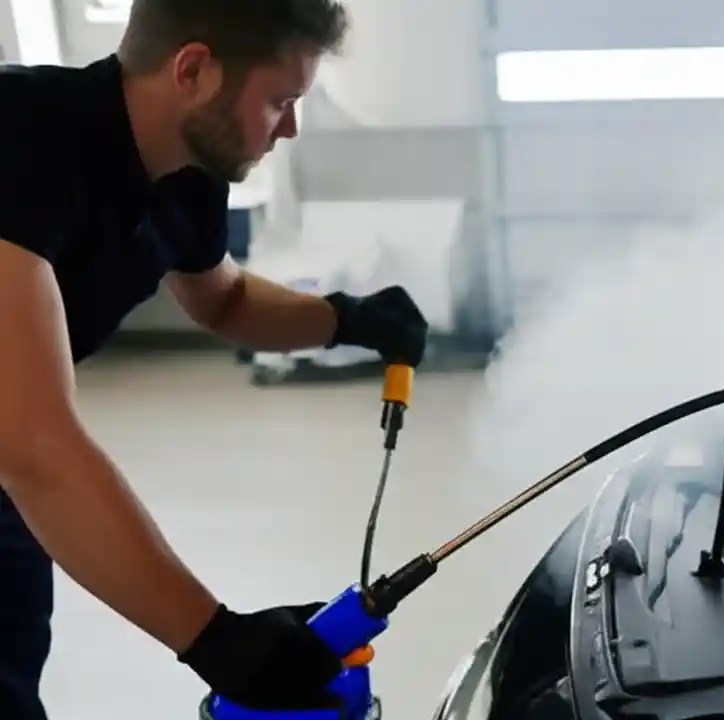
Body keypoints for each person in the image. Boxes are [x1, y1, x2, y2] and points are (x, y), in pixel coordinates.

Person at [0, 1, 427, 716]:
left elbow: (223, 300)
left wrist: (347, 319)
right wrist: (216, 639)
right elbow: (33, 446)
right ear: (193, 70)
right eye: (280, 100)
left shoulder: (186, 175)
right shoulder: (20, 137)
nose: (289, 128)